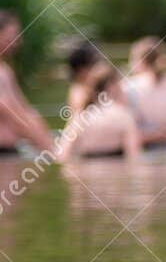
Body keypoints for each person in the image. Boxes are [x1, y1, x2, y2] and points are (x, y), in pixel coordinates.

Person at [61, 42, 141, 161]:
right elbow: (134, 157)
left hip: (86, 174)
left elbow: (62, 155)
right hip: (117, 174)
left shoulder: (79, 118)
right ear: (112, 87)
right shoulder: (125, 117)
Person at [0, 10, 55, 155]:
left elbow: (25, 111)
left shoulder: (5, 71)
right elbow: (15, 117)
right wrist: (50, 150)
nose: (18, 41)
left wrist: (50, 143)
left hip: (9, 154)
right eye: (12, 36)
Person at [124, 36, 166, 147]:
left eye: (132, 59)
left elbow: (127, 129)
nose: (130, 65)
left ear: (141, 61)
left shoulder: (128, 86)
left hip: (144, 147)